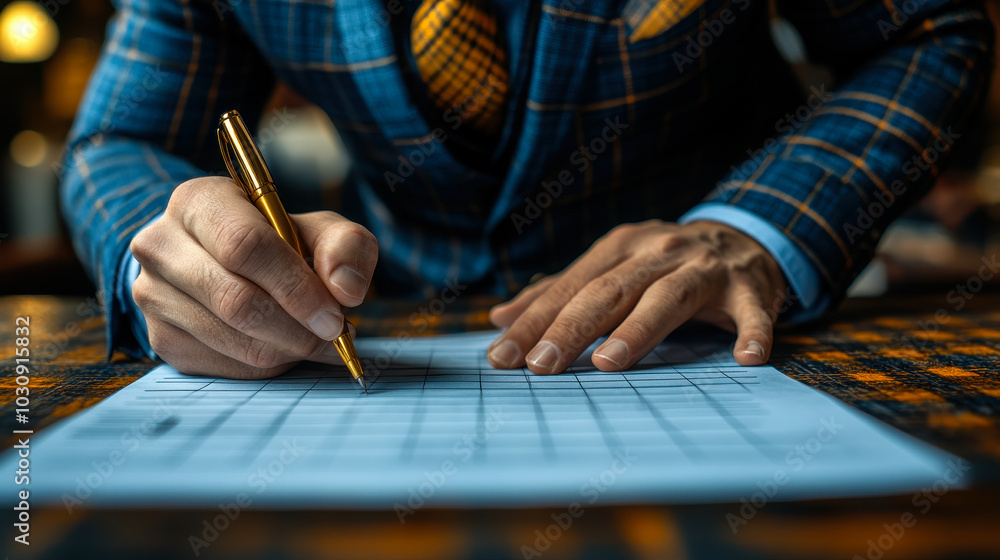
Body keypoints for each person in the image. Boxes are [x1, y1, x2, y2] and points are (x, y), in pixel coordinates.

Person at [62, 0, 994, 378]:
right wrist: (184, 259)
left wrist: (753, 226)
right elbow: (123, 138)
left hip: (715, 339)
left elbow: (929, 30)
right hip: (380, 333)